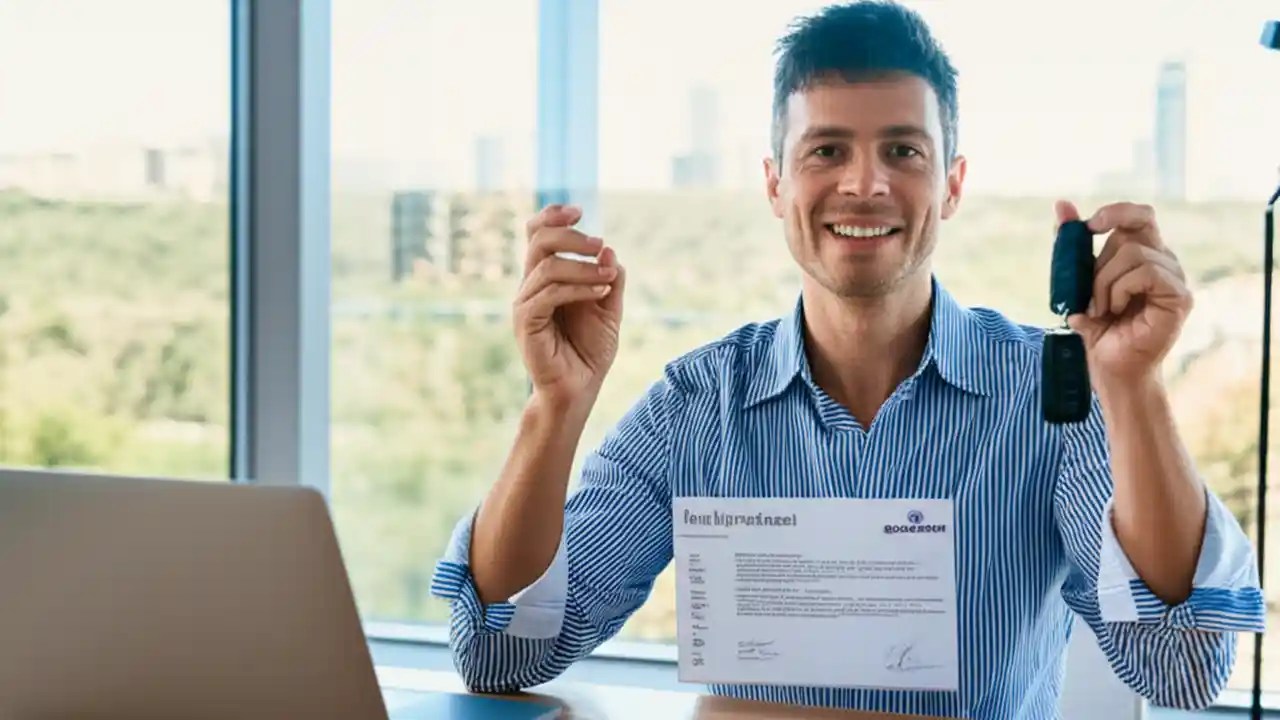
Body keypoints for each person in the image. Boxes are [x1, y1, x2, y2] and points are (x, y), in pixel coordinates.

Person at [428, 1, 1265, 716]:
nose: (865, 184)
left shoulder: (1047, 400)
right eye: (826, 150)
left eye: (903, 151)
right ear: (775, 184)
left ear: (953, 185)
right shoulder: (696, 405)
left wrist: (1134, 387)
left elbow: (1182, 670)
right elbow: (499, 656)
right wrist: (554, 406)